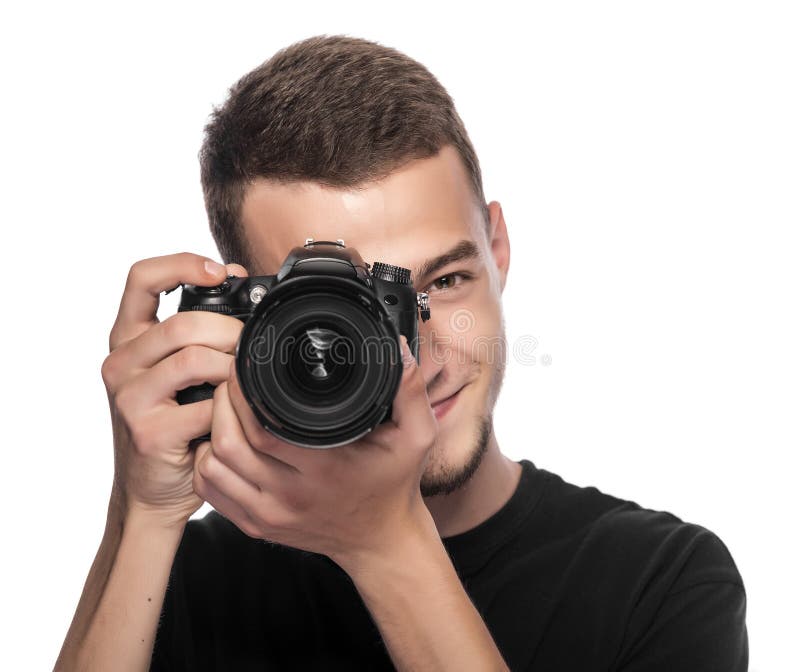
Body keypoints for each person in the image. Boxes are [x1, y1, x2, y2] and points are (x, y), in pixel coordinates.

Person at [55, 35, 748, 671]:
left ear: (496, 248)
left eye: (445, 282)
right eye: (346, 312)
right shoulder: (190, 579)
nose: (420, 361)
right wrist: (139, 512)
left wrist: (384, 544)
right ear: (252, 316)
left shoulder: (662, 582)